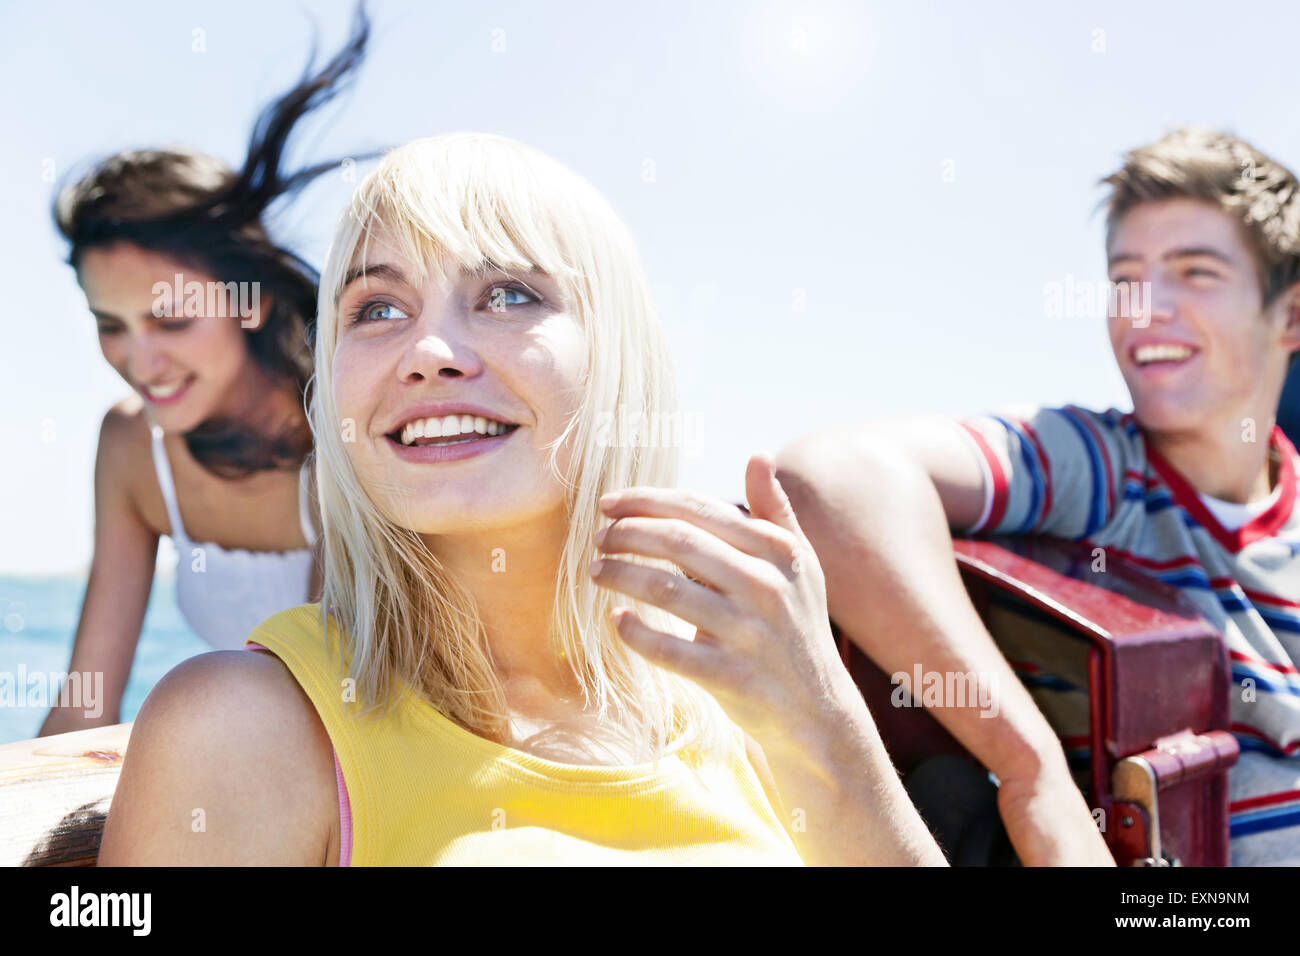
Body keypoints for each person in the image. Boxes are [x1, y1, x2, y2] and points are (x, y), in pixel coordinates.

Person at [98, 132, 947, 866]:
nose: (429, 351)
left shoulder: (749, 699)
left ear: (618, 360)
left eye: (508, 294)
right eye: (379, 306)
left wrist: (832, 725)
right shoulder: (244, 729)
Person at [777, 126, 1300, 866]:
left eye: (1194, 272)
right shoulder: (1103, 468)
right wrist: (1035, 773)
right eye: (1126, 279)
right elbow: (826, 478)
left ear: (1291, 316)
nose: (1145, 309)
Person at [39, 10, 371, 736]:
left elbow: (333, 712)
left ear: (244, 303)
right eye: (110, 326)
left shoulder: (345, 428)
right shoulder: (132, 450)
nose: (140, 362)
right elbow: (86, 703)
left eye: (171, 320)